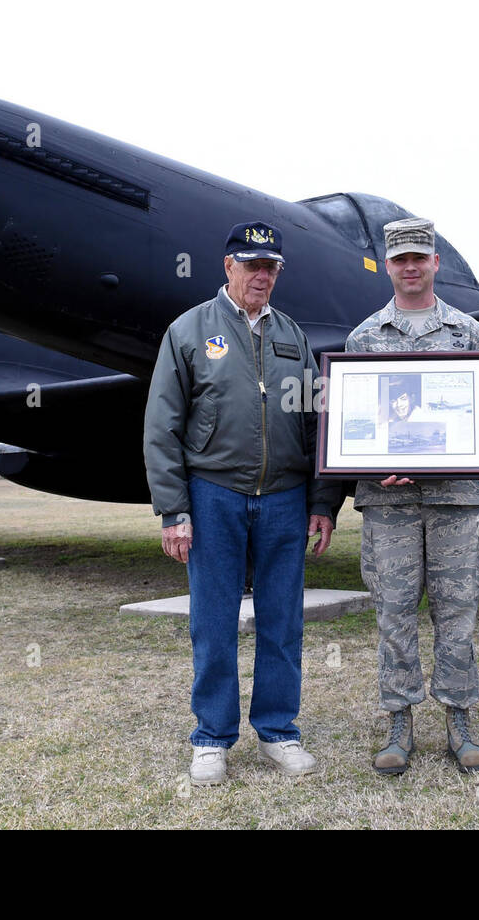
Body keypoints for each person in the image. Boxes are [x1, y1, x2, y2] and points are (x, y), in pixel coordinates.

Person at [143, 221, 339, 787]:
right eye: (251, 265)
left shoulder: (294, 336)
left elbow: (315, 424)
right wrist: (173, 510)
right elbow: (162, 426)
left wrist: (322, 500)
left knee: (283, 620)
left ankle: (279, 730)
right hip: (213, 494)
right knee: (213, 620)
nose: (262, 275)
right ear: (228, 268)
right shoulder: (188, 332)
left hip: (284, 497)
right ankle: (211, 737)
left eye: (271, 266)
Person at [347, 217, 479, 775]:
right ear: (388, 266)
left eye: (421, 257)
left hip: (456, 498)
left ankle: (460, 723)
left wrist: (466, 400)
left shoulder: (470, 332)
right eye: (401, 259)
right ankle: (399, 726)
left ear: (435, 262)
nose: (411, 266)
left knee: (458, 615)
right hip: (388, 503)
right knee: (393, 614)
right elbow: (352, 417)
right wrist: (378, 460)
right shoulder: (364, 337)